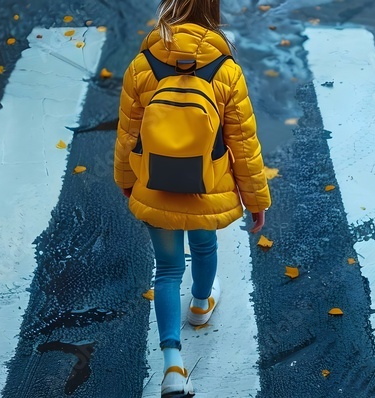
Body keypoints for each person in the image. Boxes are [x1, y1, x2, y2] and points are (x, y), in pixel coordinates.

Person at [113, 0, 271, 396]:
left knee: (166, 270)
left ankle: (172, 366)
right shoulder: (226, 70)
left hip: (156, 185)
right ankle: (201, 304)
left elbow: (127, 134)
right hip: (208, 186)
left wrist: (126, 179)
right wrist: (256, 198)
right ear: (211, 11)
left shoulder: (142, 65)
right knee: (203, 246)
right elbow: (244, 143)